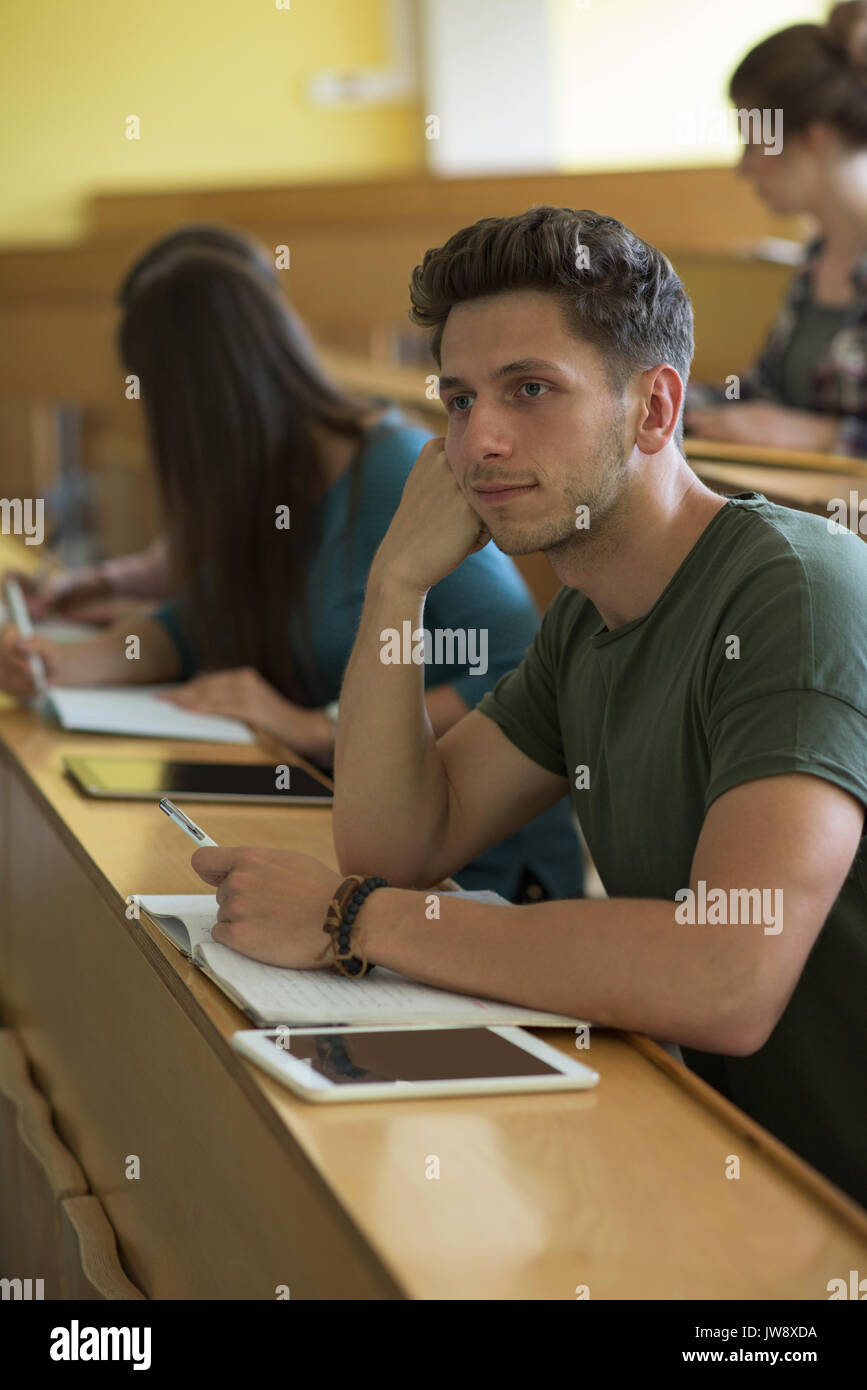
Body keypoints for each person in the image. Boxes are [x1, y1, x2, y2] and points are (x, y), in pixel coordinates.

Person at [187, 206, 867, 1209]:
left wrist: (353, 919)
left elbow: (727, 973)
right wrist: (396, 585)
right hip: (724, 1163)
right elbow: (398, 843)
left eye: (531, 390)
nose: (479, 441)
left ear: (653, 409)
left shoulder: (797, 593)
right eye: (459, 400)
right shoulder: (586, 619)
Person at [0, 230, 583, 904]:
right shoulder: (267, 481)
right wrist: (60, 665)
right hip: (338, 818)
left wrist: (311, 726)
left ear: (207, 404)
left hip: (478, 870)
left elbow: (509, 666)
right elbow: (188, 625)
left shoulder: (391, 470)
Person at [686, 1, 867, 458]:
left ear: (812, 136)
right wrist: (648, 401)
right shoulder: (816, 261)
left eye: (753, 141)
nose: (743, 168)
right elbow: (764, 397)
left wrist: (824, 439)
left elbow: (789, 425)